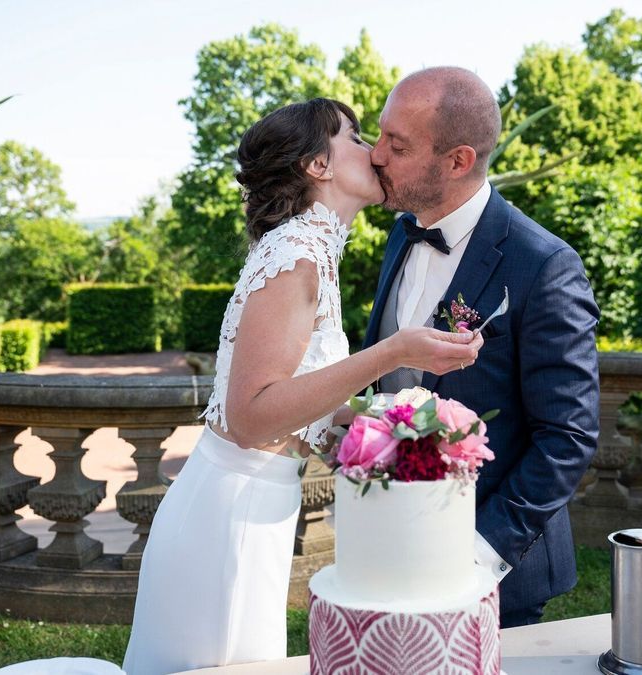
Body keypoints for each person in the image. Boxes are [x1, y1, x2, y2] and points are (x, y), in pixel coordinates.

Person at [122, 98, 483, 675]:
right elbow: (251, 416)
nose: (374, 151)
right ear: (319, 166)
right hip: (229, 515)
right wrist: (390, 353)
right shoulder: (295, 257)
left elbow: (293, 397)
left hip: (257, 503)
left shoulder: (311, 250)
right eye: (355, 136)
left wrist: (397, 417)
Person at [363, 66, 601, 628]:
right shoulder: (402, 232)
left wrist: (476, 553)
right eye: (380, 135)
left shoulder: (544, 266)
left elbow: (568, 437)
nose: (375, 156)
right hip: (391, 545)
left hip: (494, 577)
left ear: (458, 161)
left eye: (397, 145)